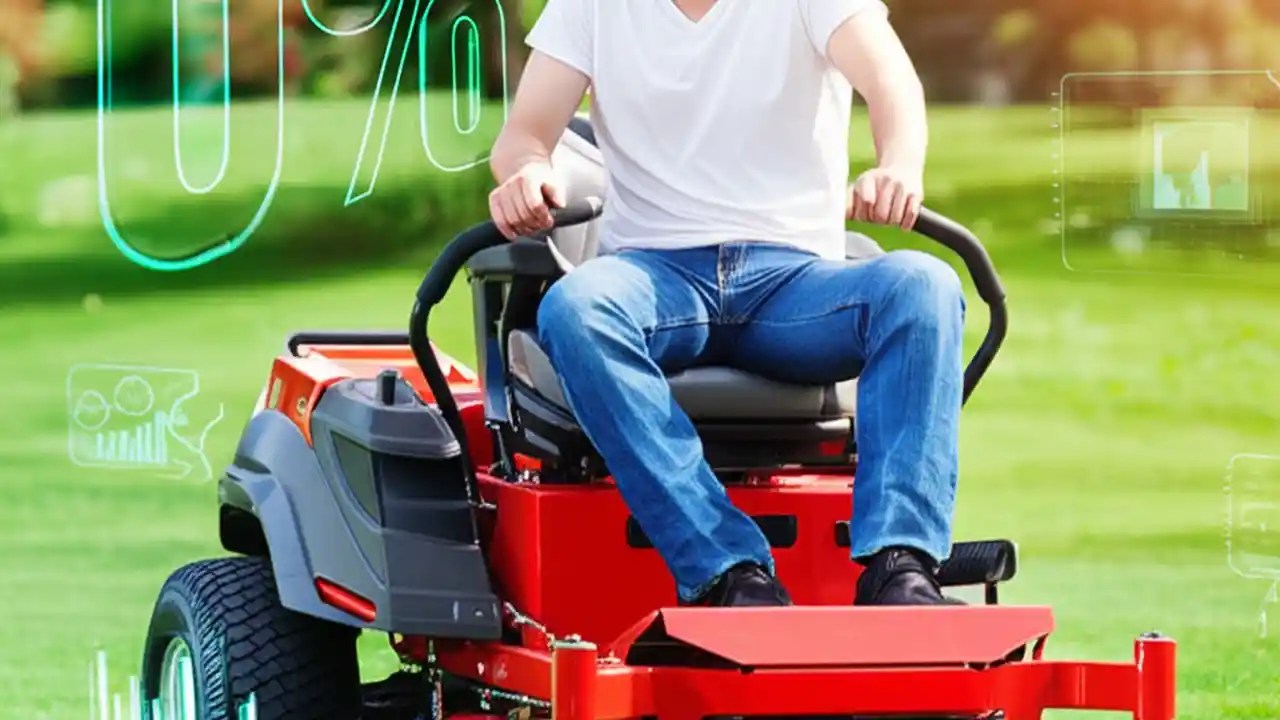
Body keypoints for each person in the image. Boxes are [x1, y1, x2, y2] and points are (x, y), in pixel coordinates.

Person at [487, 0, 964, 607]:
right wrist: (526, 173)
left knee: (924, 285)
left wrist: (898, 165)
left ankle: (902, 567)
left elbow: (890, 79)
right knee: (577, 307)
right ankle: (728, 572)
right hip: (655, 276)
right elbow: (525, 135)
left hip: (792, 282)